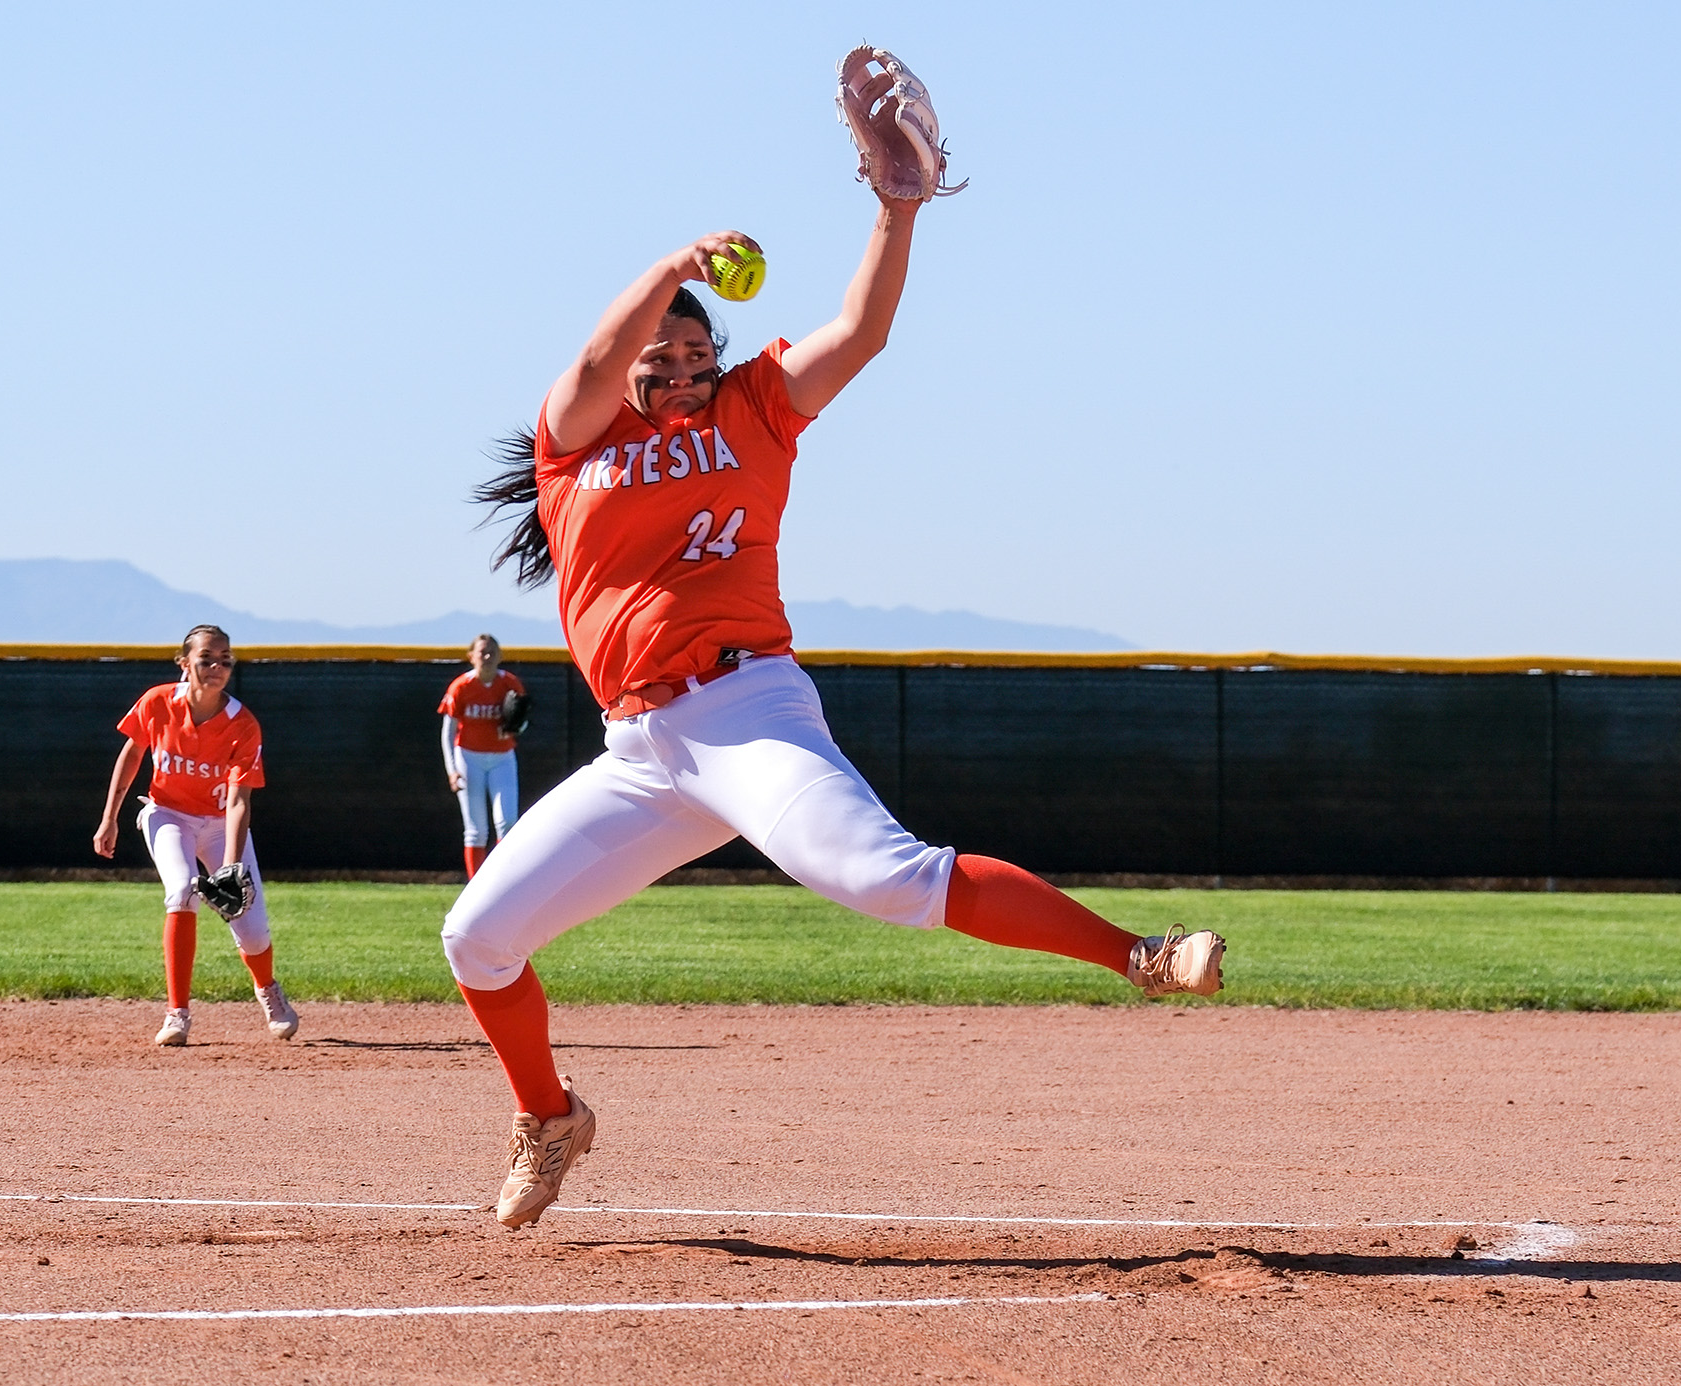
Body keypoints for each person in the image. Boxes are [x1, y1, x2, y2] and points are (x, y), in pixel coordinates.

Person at [453, 188, 1225, 1230]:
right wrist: (673, 262)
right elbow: (595, 362)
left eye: (693, 357)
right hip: (640, 751)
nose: (678, 374)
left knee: (882, 875)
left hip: (745, 708)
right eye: (658, 360)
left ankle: (1140, 955)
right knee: (478, 939)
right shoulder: (575, 446)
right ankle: (551, 1119)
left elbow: (863, 330)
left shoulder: (753, 407)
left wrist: (897, 210)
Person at [92, 624, 300, 1047]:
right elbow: (133, 754)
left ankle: (268, 990)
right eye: (206, 658)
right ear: (185, 663)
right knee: (183, 890)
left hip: (220, 823)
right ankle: (177, 1013)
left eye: (225, 660)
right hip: (167, 813)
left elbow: (239, 802)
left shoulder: (242, 724)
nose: (216, 667)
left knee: (252, 928)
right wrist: (109, 817)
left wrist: (231, 863)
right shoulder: (158, 702)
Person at [439, 633, 527, 880]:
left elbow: (522, 721)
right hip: (468, 758)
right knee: (476, 830)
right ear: (471, 657)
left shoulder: (510, 683)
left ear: (500, 656)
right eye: (482, 652)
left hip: (502, 758)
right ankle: (476, 886)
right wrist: (452, 770)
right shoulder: (461, 687)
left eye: (492, 652)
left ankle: (502, 882)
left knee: (507, 822)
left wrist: (514, 727)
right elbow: (448, 733)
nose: (487, 657)